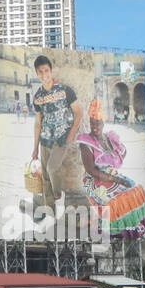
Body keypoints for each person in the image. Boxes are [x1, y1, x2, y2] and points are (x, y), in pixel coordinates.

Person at [75, 99, 145, 238]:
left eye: (97, 123)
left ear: (103, 123)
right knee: (114, 200)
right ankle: (118, 232)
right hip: (94, 180)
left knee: (134, 189)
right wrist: (117, 179)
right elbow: (91, 170)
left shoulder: (109, 138)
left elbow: (123, 152)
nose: (94, 126)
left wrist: (112, 168)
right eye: (92, 122)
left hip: (110, 175)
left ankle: (133, 228)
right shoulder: (86, 142)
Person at [28, 54, 88, 215]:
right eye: (40, 72)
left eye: (46, 70)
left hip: (61, 139)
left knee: (52, 168)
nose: (44, 74)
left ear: (51, 71)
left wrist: (70, 136)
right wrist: (35, 148)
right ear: (37, 74)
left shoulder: (65, 90)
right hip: (45, 141)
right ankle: (50, 210)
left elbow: (78, 113)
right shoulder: (37, 98)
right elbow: (38, 123)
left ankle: (57, 193)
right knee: (45, 177)